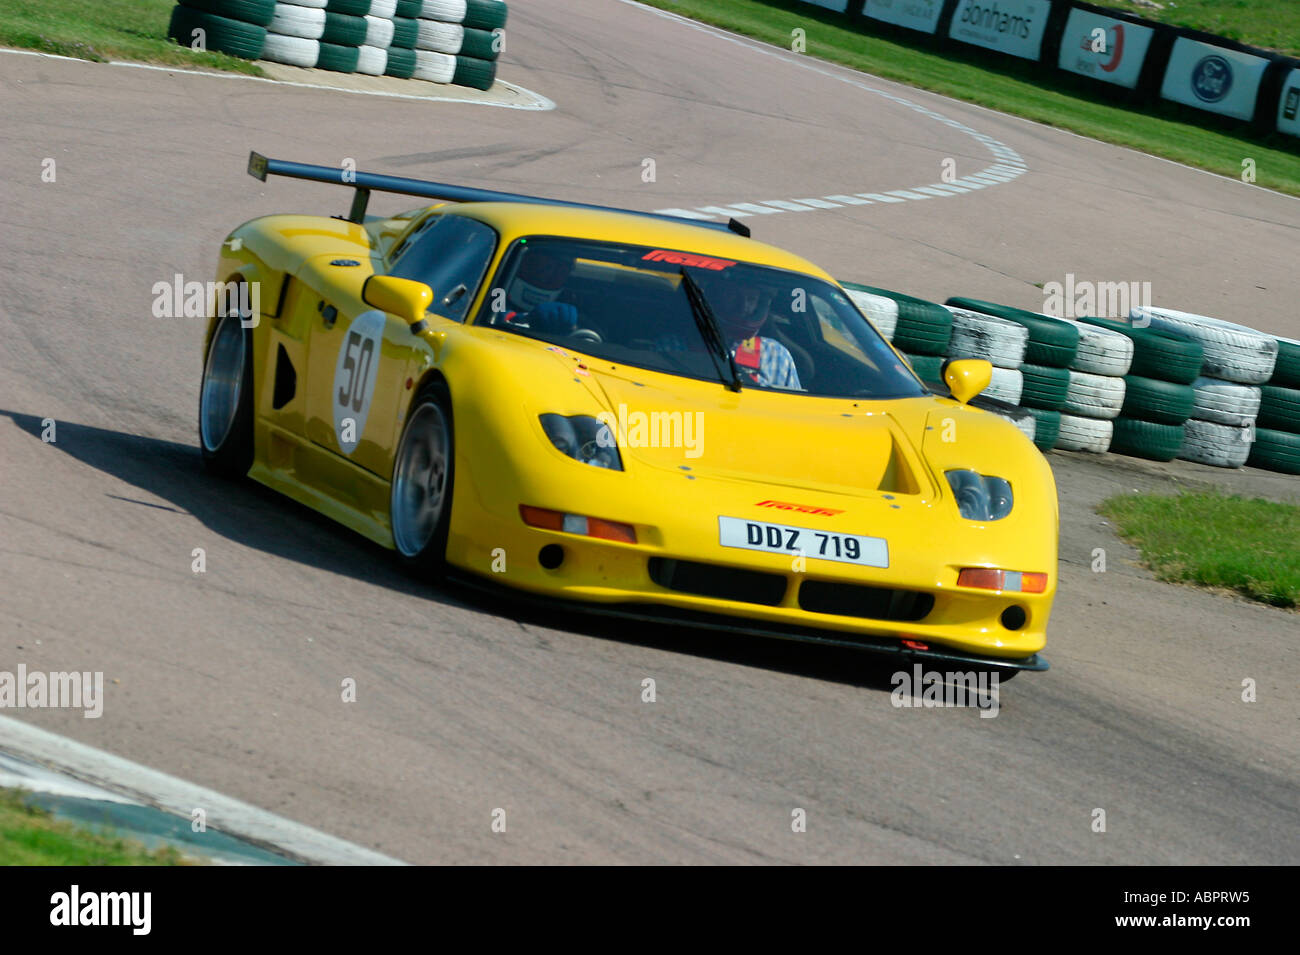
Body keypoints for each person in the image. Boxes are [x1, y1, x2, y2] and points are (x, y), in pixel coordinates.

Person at [680, 275, 802, 391]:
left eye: (751, 299)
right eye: (733, 296)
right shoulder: (675, 346)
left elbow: (796, 409)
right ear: (715, 297)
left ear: (760, 304)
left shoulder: (776, 355)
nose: (743, 306)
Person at [499, 247, 580, 335]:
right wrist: (522, 319)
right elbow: (494, 315)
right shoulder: (496, 289)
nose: (546, 276)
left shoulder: (570, 311)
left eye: (560, 270)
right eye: (537, 265)